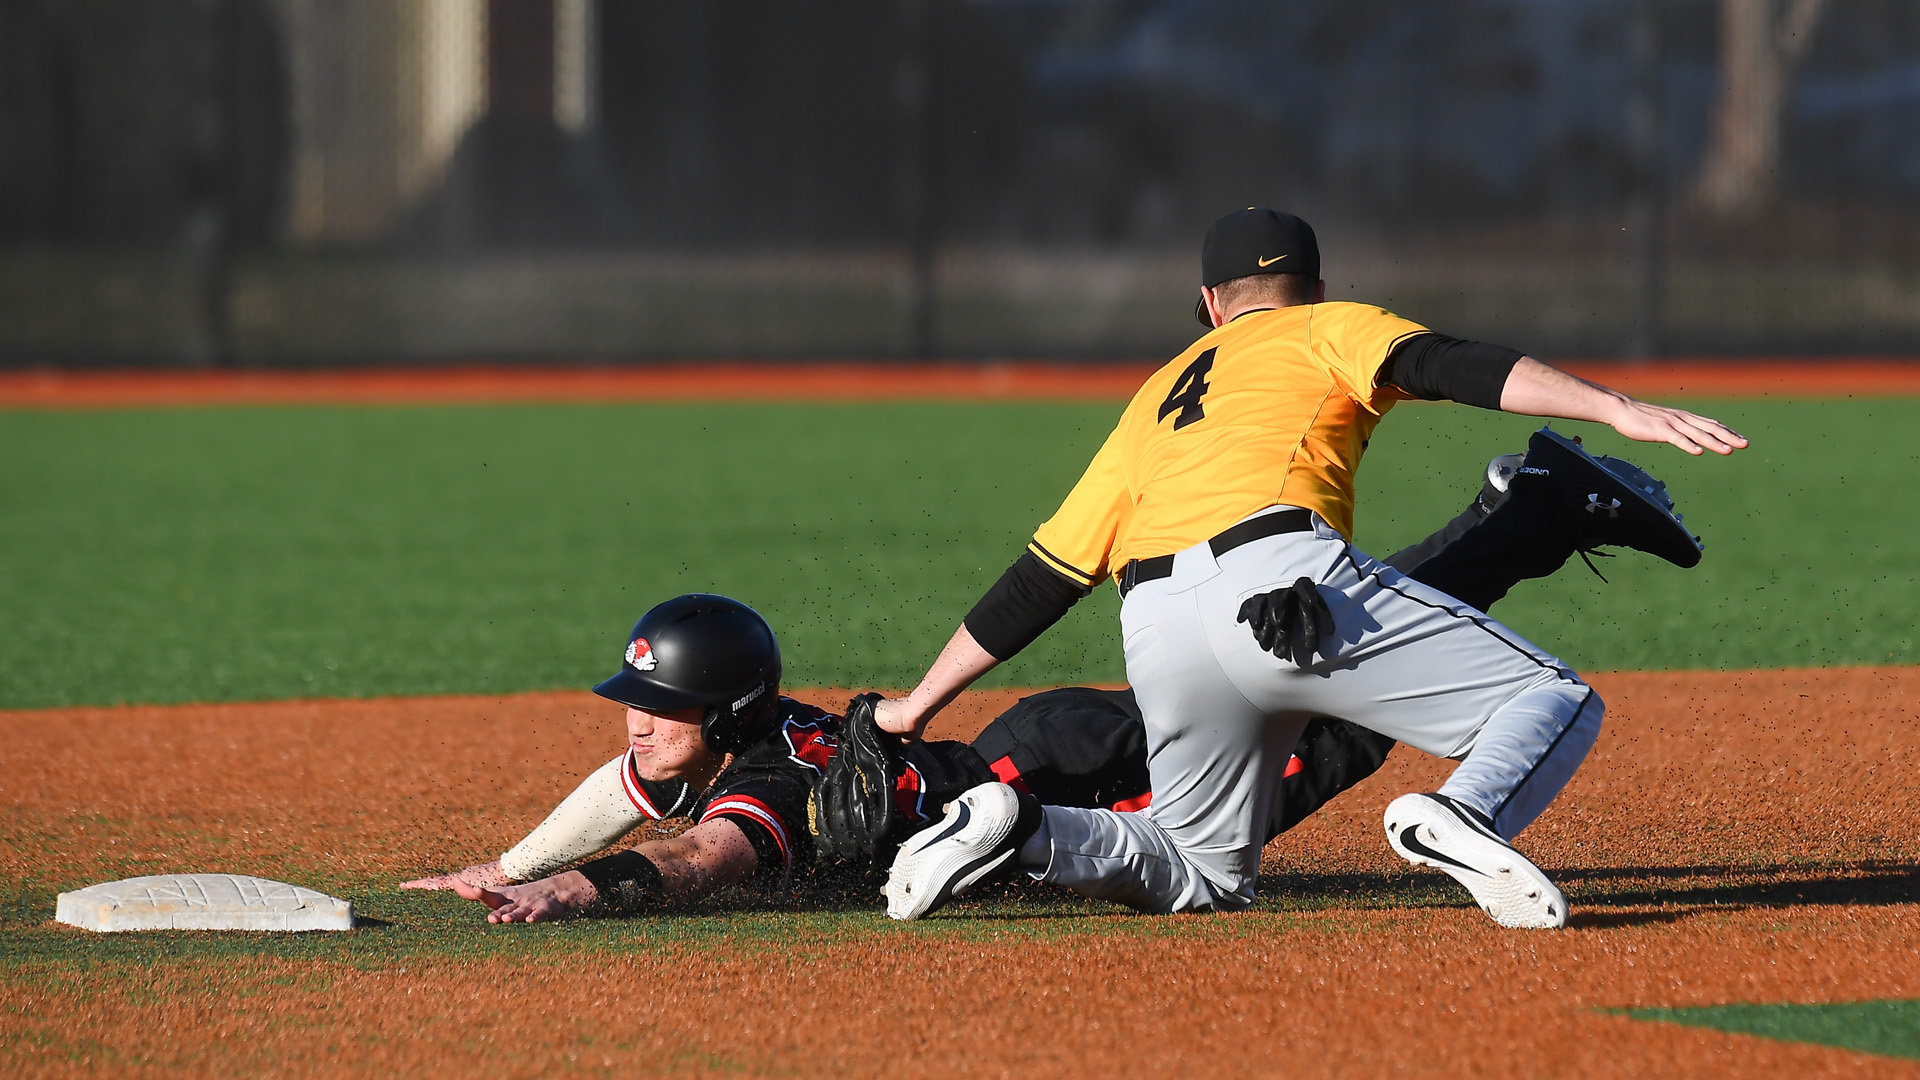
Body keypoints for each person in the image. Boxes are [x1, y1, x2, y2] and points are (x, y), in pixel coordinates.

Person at [404, 431, 1700, 922]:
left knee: (1337, 729)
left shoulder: (760, 791)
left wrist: (577, 892)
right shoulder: (729, 746)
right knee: (1309, 693)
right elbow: (622, 784)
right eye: (639, 709)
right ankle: (1524, 515)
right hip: (1034, 743)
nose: (640, 733)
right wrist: (508, 864)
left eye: (662, 713)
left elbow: (703, 861)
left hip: (1064, 770)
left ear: (726, 718)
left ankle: (1529, 516)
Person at [873, 207, 1747, 929]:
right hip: (1278, 582)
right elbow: (1448, 365)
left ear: (1211, 303)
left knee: (1202, 870)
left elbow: (1046, 576)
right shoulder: (1328, 326)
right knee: (1550, 700)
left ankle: (1016, 830)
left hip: (1156, 626)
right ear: (1317, 288)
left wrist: (917, 703)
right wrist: (1615, 407)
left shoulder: (1155, 396)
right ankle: (1461, 812)